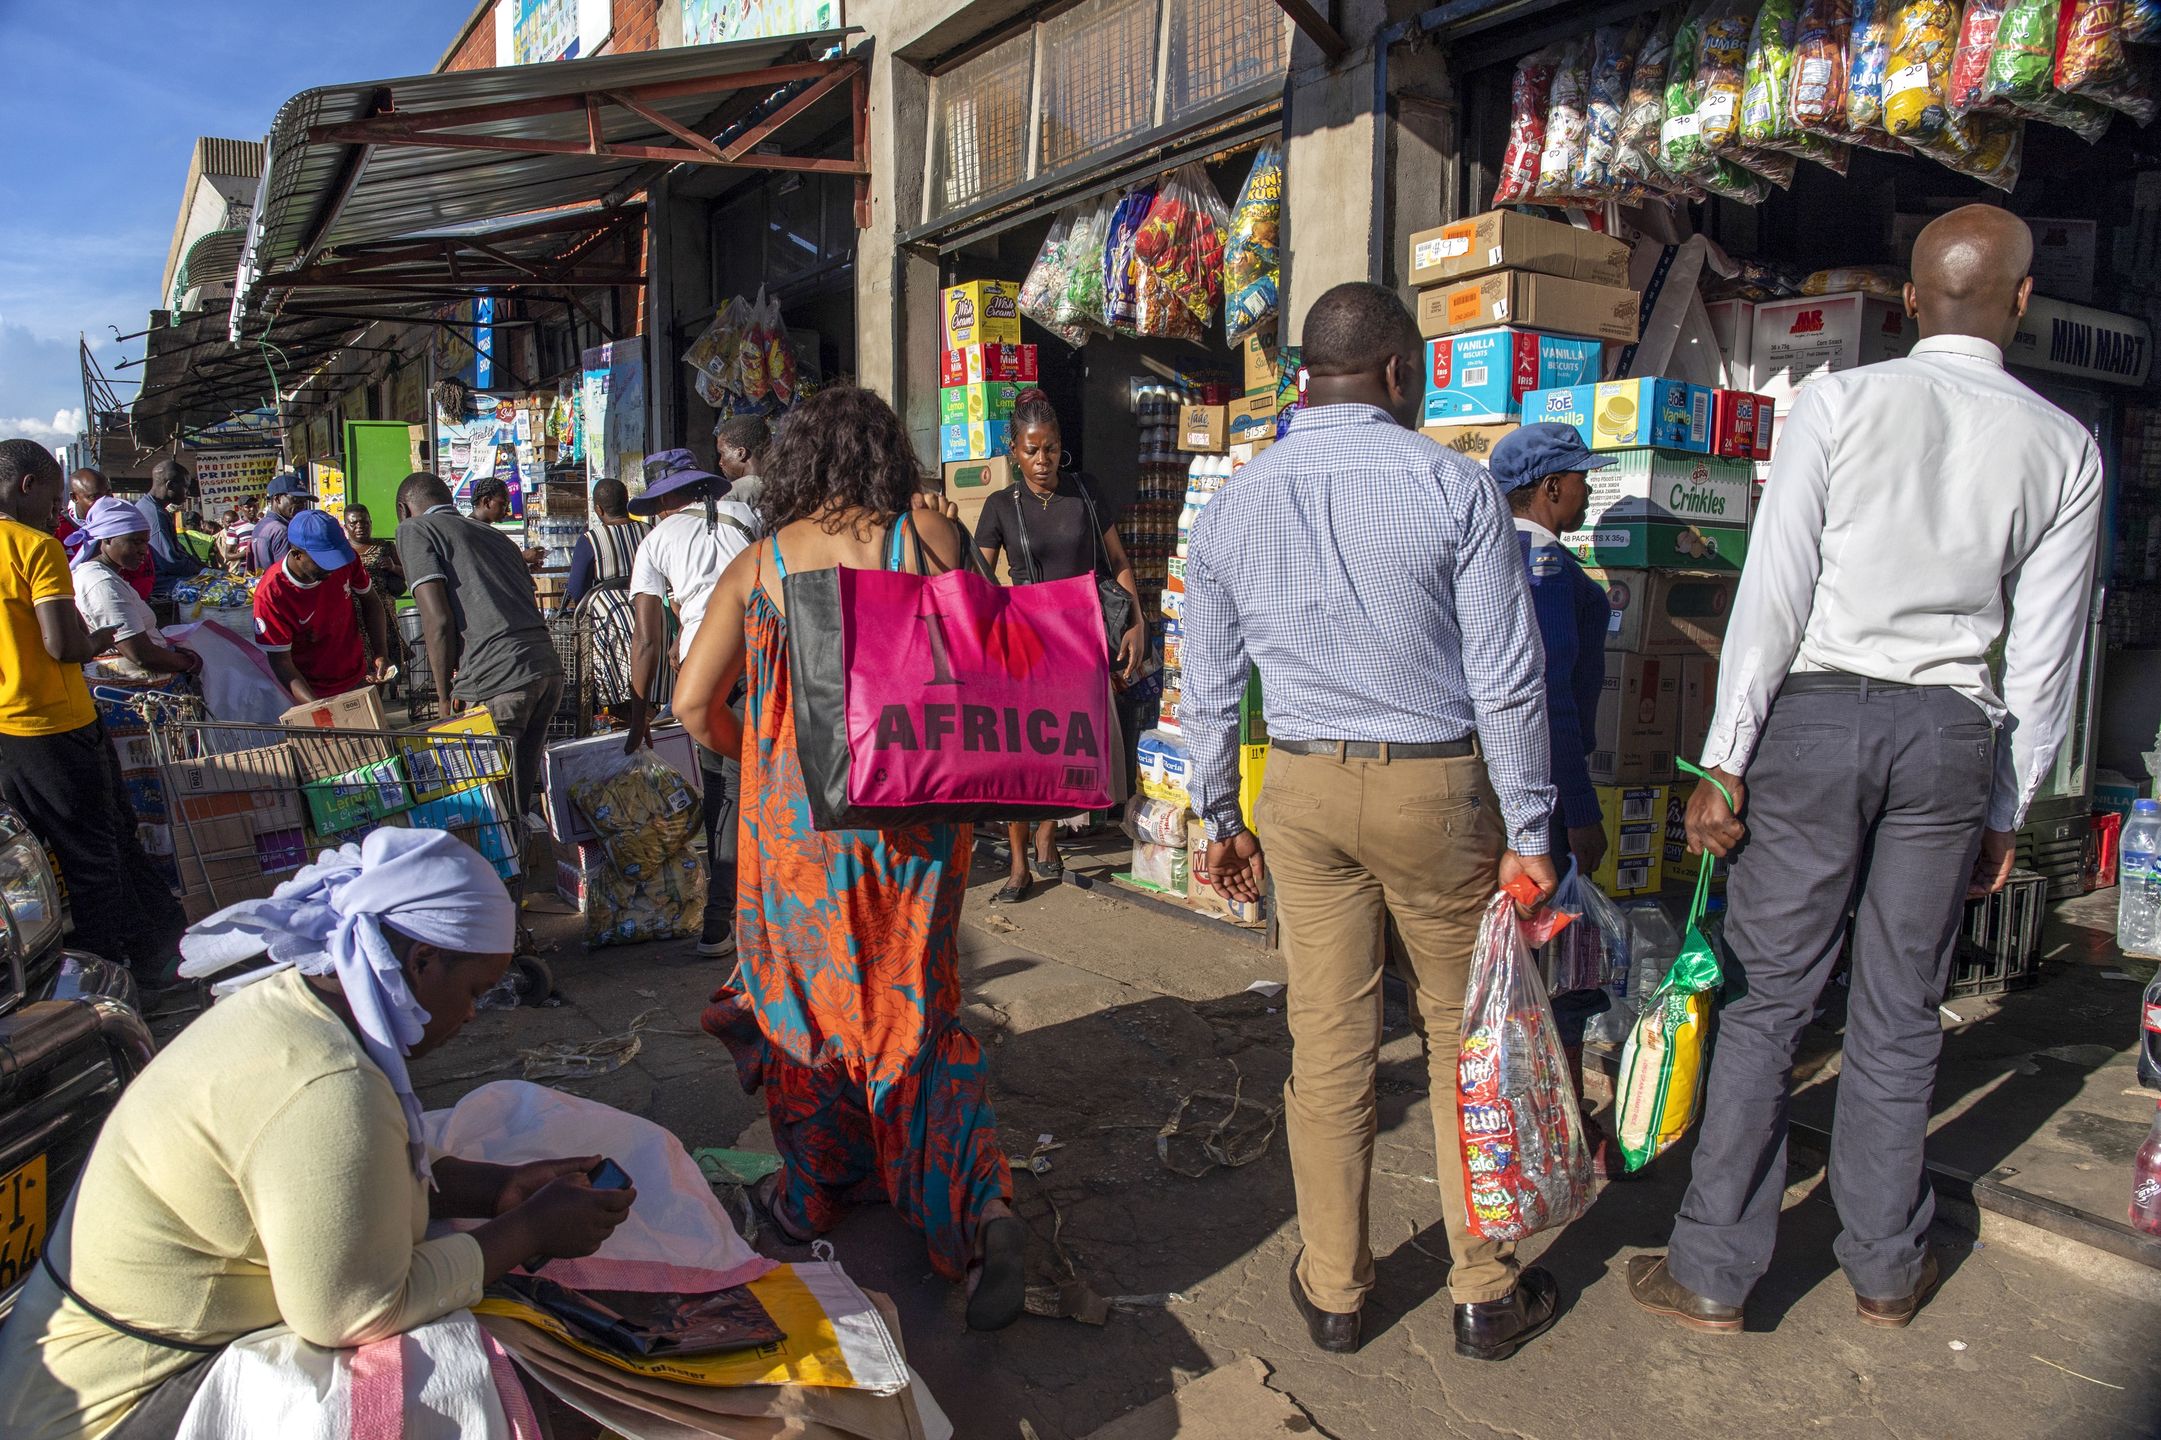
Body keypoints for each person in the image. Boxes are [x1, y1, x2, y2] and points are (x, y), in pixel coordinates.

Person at [1628, 206, 2105, 1334]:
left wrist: (1725, 761)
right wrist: (2006, 805)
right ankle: (1886, 1267)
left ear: (1906, 300)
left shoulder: (1840, 402)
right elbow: (2044, 658)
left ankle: (1710, 1269)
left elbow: (1774, 595)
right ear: (2021, 301)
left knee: (1764, 1002)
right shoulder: (2063, 446)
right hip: (1948, 737)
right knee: (1901, 1009)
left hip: (1817, 720)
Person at [1182, 283, 1560, 1361]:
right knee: (1458, 1038)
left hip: (1298, 792)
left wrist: (1218, 811)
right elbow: (1507, 680)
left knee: (1332, 1041)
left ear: (1307, 375)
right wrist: (1530, 835)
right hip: (1432, 790)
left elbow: (1207, 684)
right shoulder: (1455, 489)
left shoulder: (1238, 504)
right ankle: (1483, 1288)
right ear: (1399, 373)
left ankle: (1337, 1289)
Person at [0, 828, 636, 1440]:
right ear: (421, 961)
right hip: (111, 1408)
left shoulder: (299, 1010)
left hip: (90, 1372)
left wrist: (497, 1189)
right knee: (441, 1366)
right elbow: (350, 1311)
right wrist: (526, 1231)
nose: (472, 1015)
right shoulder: (325, 1081)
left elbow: (350, 1182)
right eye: (473, 991)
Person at [674, 386, 1024, 1331]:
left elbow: (692, 706)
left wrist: (768, 762)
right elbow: (996, 667)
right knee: (913, 1001)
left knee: (809, 1004)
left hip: (803, 835)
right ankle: (979, 1208)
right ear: (886, 458)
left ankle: (816, 1190)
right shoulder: (931, 540)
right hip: (919, 826)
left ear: (795, 466)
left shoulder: (761, 565)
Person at [1490, 422, 1630, 1178]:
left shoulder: (1472, 558)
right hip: (1537, 801)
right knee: (1559, 958)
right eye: (1580, 479)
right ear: (1549, 489)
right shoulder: (1547, 571)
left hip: (1475, 794)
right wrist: (1578, 811)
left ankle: (1514, 1109)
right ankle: (1560, 1116)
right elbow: (1548, 705)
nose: (1586, 490)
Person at [0, 439, 185, 986]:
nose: (60, 513)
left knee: (44, 858)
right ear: (28, 485)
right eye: (55, 499)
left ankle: (112, 956)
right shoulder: (35, 547)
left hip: (9, 733)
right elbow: (62, 645)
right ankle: (118, 972)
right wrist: (98, 637)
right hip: (56, 722)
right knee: (96, 855)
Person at [970, 388, 1147, 903]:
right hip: (1026, 644)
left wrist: (1137, 621)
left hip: (1081, 640)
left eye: (1050, 449)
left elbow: (1118, 561)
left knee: (1069, 746)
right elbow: (980, 576)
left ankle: (1049, 837)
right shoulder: (1001, 506)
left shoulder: (1085, 491)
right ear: (1014, 450)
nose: (1042, 461)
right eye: (1031, 450)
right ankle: (1020, 865)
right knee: (1023, 755)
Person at [624, 449, 758, 959]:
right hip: (762, 659)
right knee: (761, 784)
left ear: (663, 501)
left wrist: (641, 716)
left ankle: (719, 924)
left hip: (707, 676)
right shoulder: (745, 517)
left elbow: (646, 641)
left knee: (724, 790)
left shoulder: (656, 541)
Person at [394, 471, 564, 832]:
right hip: (544, 668)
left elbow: (437, 619)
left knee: (485, 805)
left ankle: (500, 881)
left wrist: (443, 697)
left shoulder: (415, 530)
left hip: (498, 676)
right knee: (513, 802)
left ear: (403, 509)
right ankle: (518, 877)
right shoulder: (494, 535)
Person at [253, 509, 387, 703]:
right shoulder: (272, 594)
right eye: (325, 561)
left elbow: (371, 602)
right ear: (297, 553)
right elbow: (281, 662)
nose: (333, 568)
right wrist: (317, 707)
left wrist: (381, 654)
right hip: (309, 691)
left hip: (356, 677)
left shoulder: (346, 560)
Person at [66, 497, 202, 681]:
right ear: (107, 539)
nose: (144, 551)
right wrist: (189, 662)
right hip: (133, 695)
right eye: (135, 542)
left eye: (146, 542)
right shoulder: (101, 583)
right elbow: (140, 654)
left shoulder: (106, 576)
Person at [561, 478, 651, 720]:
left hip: (608, 617)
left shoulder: (591, 540)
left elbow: (577, 588)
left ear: (598, 509)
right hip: (649, 611)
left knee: (617, 689)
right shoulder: (647, 531)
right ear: (628, 503)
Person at [59, 468, 153, 601]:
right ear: (74, 497)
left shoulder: (127, 524)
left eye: (108, 494)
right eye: (94, 497)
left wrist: (128, 599)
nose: (104, 502)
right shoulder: (58, 529)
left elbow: (145, 574)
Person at [135, 458, 205, 590]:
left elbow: (179, 551)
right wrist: (203, 571)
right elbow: (170, 562)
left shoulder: (155, 509)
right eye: (185, 487)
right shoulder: (155, 515)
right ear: (170, 485)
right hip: (164, 583)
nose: (187, 493)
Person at [471, 477, 548, 570]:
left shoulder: (484, 531)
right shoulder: (469, 531)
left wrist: (524, 567)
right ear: (487, 501)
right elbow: (482, 567)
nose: (508, 510)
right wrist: (521, 558)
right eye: (504, 504)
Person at [249, 471, 312, 572]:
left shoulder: (261, 525)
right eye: (296, 500)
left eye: (304, 501)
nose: (301, 505)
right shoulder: (282, 530)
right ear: (277, 499)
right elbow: (287, 573)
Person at [714, 413, 770, 512]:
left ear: (741, 453)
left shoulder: (734, 494)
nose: (720, 462)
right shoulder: (786, 485)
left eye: (722, 453)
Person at [219, 496, 261, 568]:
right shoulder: (234, 528)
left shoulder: (263, 523)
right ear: (240, 508)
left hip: (264, 568)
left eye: (254, 506)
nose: (252, 509)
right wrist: (243, 554)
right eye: (248, 507)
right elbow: (228, 555)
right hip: (246, 569)